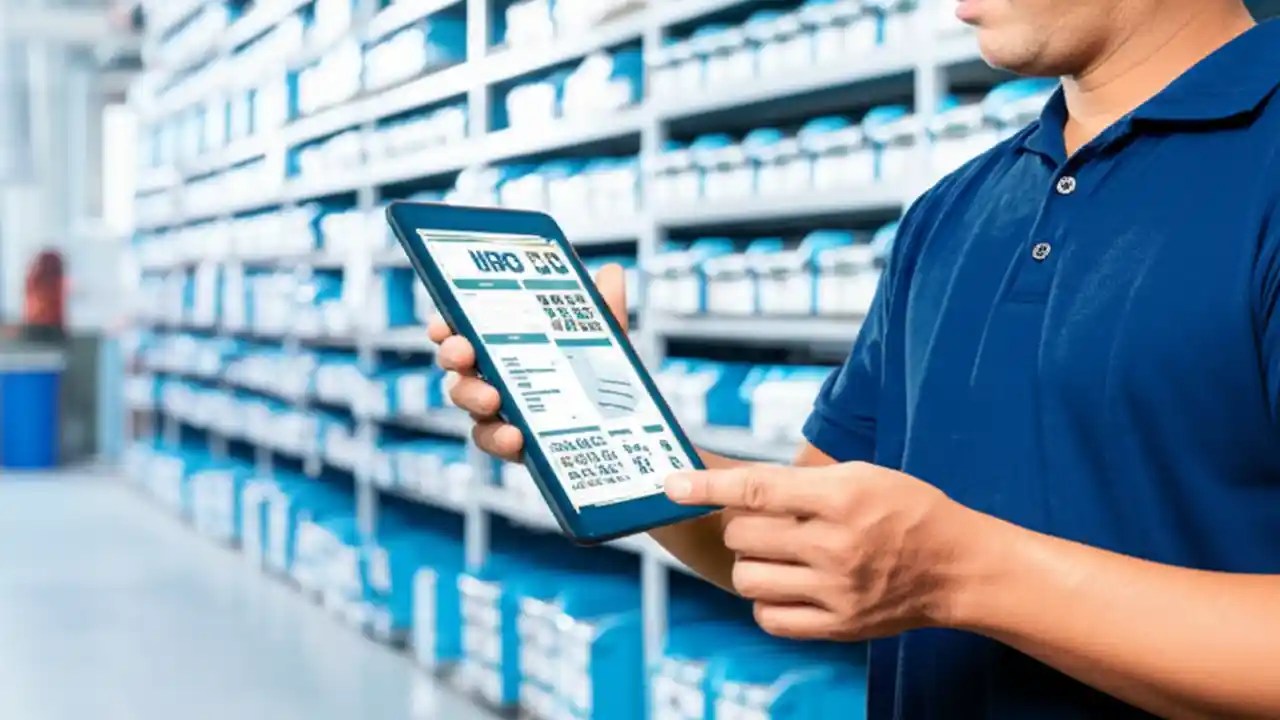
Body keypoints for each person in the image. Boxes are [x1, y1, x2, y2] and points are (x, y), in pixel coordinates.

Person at [430, 0, 1280, 716]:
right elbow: (801, 544)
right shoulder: (951, 214)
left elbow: (940, 567)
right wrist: (618, 443)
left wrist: (961, 575)